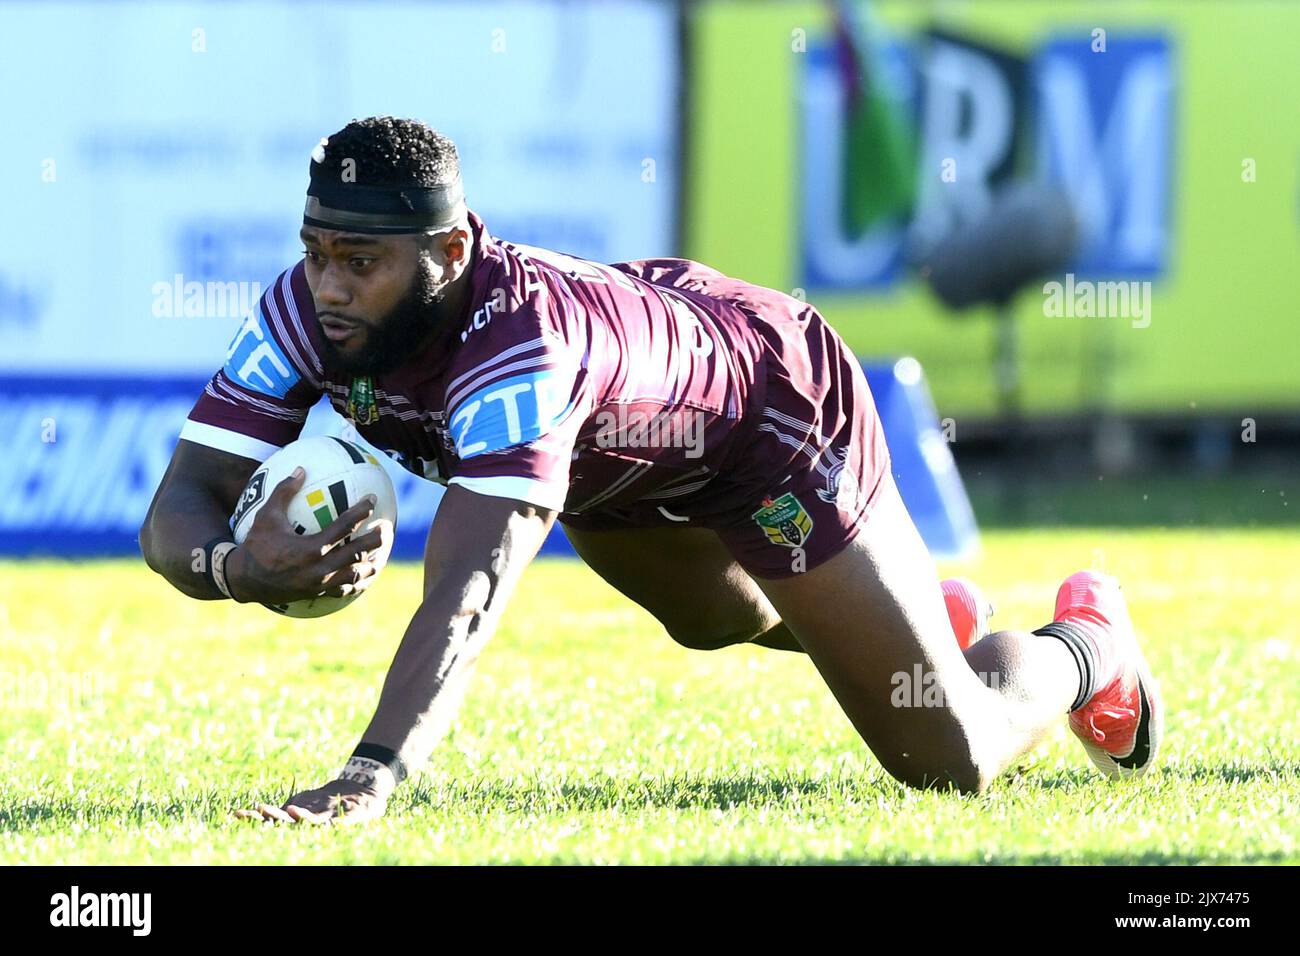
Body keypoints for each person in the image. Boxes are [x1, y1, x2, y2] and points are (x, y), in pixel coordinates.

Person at [139, 117, 1162, 825]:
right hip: (620, 443)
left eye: (361, 261)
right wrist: (235, 568)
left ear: (450, 249)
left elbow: (466, 592)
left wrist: (370, 775)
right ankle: (910, 623)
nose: (329, 285)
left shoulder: (516, 351)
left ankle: (1084, 646)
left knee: (947, 759)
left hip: (768, 408)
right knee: (714, 620)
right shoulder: (305, 307)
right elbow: (179, 504)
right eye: (316, 250)